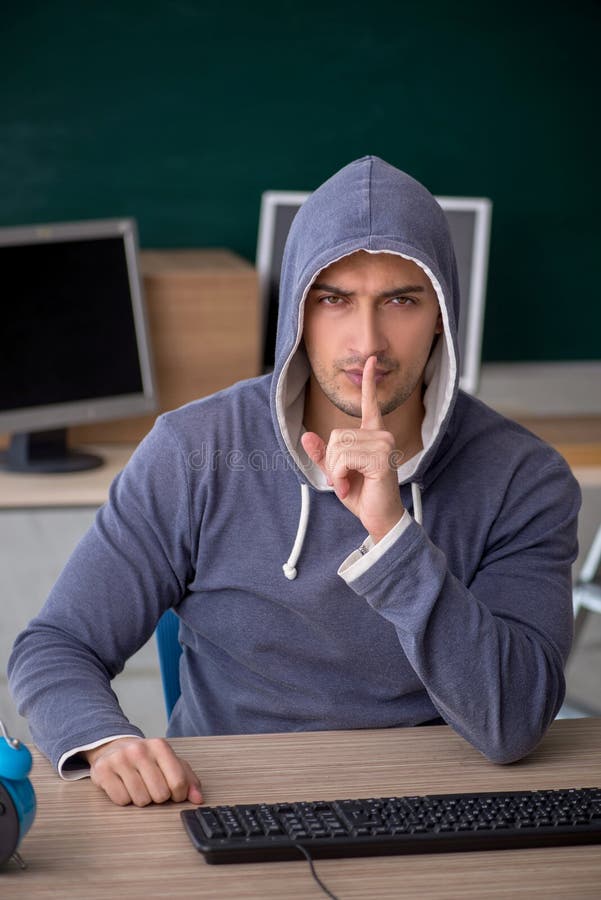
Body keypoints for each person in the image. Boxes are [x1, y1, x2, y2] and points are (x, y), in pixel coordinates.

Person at [8, 156, 580, 808]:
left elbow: (512, 724)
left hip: (437, 802)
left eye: (400, 300)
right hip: (227, 803)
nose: (367, 343)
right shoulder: (194, 450)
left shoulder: (523, 478)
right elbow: (56, 647)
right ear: (295, 312)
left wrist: (391, 536)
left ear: (442, 312)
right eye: (333, 299)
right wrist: (104, 740)